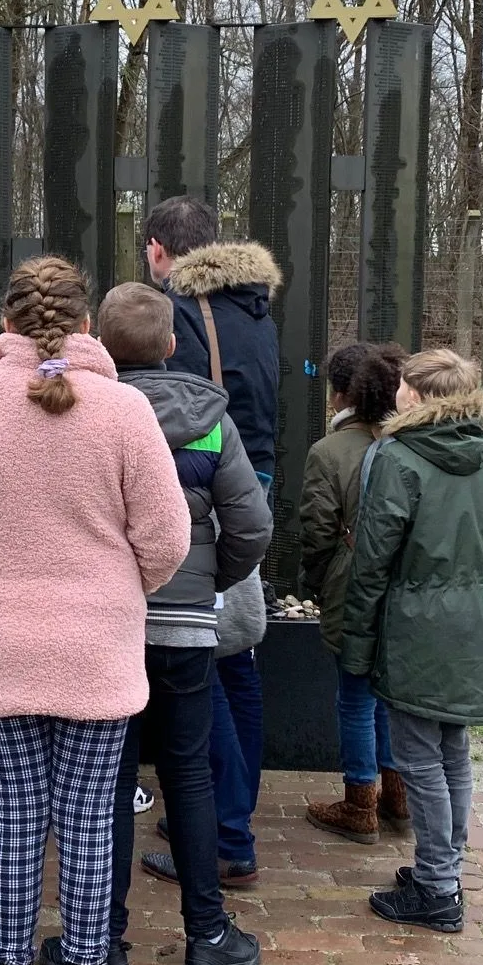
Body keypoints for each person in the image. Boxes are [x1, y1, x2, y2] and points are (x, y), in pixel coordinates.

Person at [0, 256, 190, 965]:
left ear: (4, 322)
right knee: (89, 823)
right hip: (100, 650)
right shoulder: (125, 410)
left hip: (5, 644)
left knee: (16, 821)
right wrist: (117, 587)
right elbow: (168, 537)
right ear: (85, 323)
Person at [34, 283, 270, 965]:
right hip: (187, 628)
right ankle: (208, 939)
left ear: (99, 342)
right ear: (171, 344)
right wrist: (207, 581)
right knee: (189, 775)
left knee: (108, 783)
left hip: (108, 627)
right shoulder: (211, 419)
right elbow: (251, 523)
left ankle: (103, 944)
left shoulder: (82, 409)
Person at [337, 349, 483, 933]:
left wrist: (357, 641)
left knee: (419, 759)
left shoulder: (398, 457)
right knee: (452, 751)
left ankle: (437, 888)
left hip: (415, 627)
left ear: (415, 394)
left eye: (404, 385)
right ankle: (444, 871)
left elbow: (372, 561)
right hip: (473, 622)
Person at [141, 195, 281, 889]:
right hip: (253, 479)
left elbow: (180, 413)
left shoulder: (184, 313)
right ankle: (230, 810)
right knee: (237, 656)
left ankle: (226, 835)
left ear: (158, 250)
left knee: (204, 653)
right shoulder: (253, 307)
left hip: (206, 485)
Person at [301, 342, 409, 843]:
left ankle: (359, 803)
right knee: (389, 695)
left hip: (351, 582)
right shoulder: (407, 447)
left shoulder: (329, 452)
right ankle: (398, 797)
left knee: (355, 697)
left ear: (343, 394)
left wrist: (317, 582)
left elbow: (318, 531)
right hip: (404, 587)